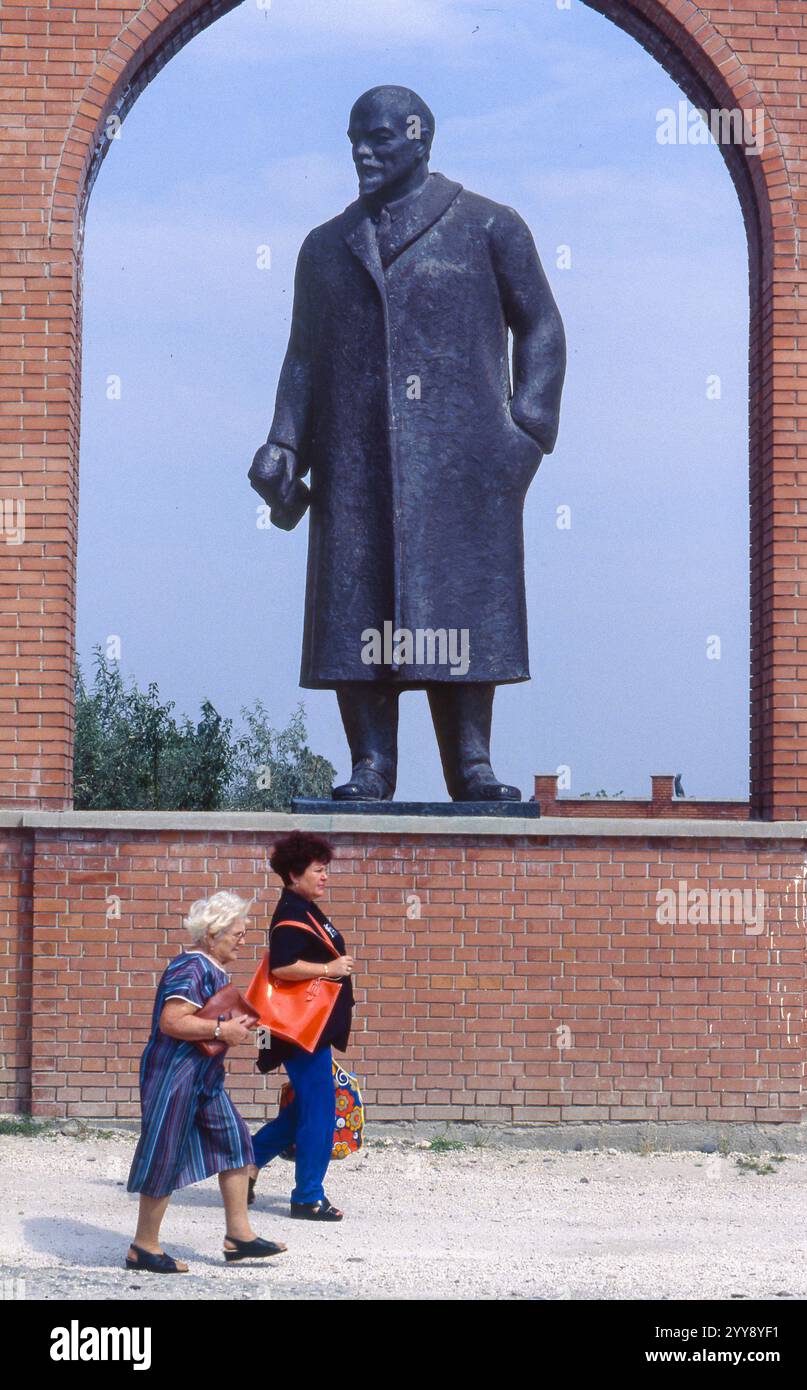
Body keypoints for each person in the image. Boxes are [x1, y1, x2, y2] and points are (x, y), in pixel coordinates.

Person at [248, 84, 566, 802]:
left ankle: (474, 762)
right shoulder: (325, 247)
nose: (363, 152)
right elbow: (303, 357)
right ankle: (370, 765)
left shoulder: (489, 226)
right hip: (353, 463)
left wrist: (527, 431)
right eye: (355, 139)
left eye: (380, 140)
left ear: (420, 138)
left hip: (466, 464)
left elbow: (541, 325)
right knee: (357, 608)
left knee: (464, 606)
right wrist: (283, 443)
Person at [125, 891, 286, 1272]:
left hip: (204, 1078)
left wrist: (239, 1030)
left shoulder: (212, 969)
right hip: (174, 1077)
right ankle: (143, 1247)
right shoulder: (192, 967)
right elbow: (172, 1022)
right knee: (164, 1153)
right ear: (212, 933)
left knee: (236, 1141)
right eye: (238, 934)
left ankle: (239, 1237)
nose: (243, 941)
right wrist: (221, 1028)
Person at [249, 831, 354, 1221]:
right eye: (318, 870)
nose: (325, 876)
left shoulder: (304, 908)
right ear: (294, 875)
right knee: (321, 1112)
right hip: (300, 1033)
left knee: (303, 1111)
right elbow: (281, 966)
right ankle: (307, 1195)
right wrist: (330, 968)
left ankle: (247, 1164)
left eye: (326, 870)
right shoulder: (292, 915)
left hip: (309, 1030)